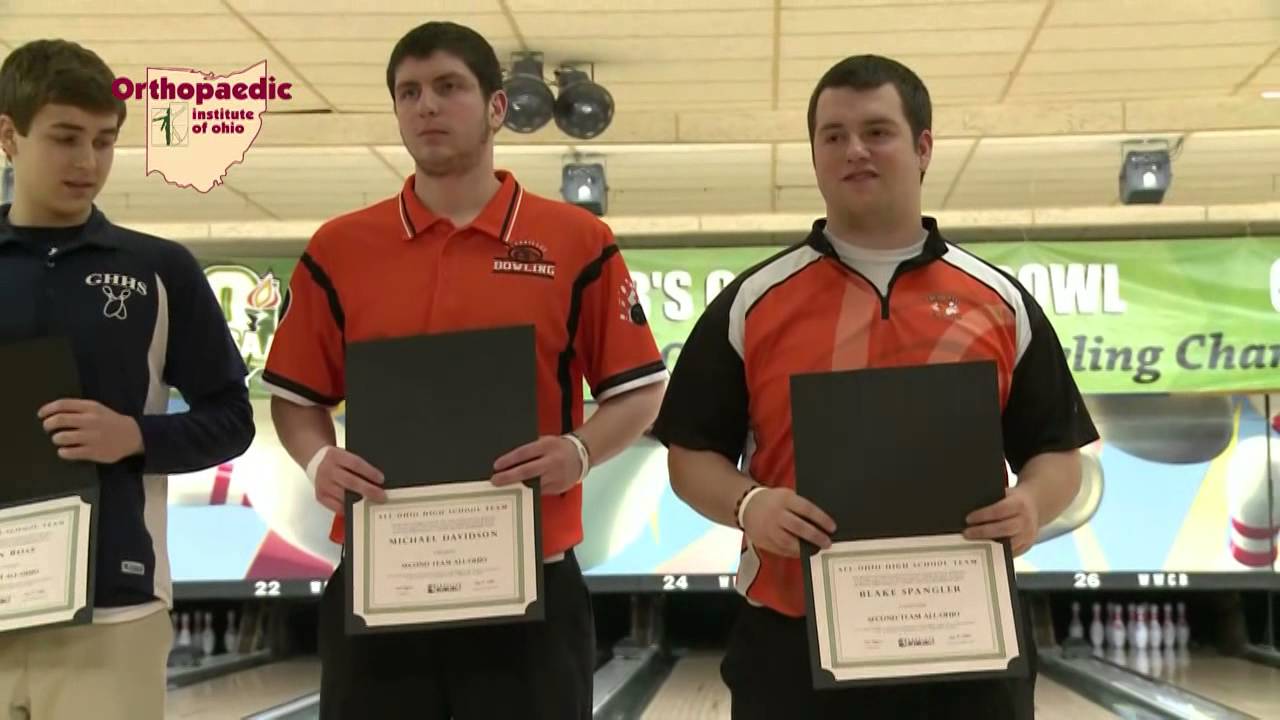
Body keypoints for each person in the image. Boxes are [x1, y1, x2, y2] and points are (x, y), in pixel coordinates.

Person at [651, 55, 1099, 719]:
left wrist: (1032, 504)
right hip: (792, 638)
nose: (853, 150)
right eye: (833, 136)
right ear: (814, 155)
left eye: (876, 131)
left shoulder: (999, 300)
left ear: (922, 148)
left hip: (965, 631)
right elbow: (689, 457)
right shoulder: (753, 301)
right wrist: (750, 506)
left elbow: (1057, 452)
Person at [263, 21, 667, 720]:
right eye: (409, 92)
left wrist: (579, 451)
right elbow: (297, 398)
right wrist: (316, 459)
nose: (426, 106)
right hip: (381, 577)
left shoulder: (577, 241)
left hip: (531, 582)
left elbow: (639, 391)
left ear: (497, 107)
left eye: (448, 87)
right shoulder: (339, 247)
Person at [0, 40, 255, 719]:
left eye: (105, 142)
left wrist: (133, 436)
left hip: (114, 609)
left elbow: (233, 415)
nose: (88, 162)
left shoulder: (158, 271)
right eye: (65, 138)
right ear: (9, 136)